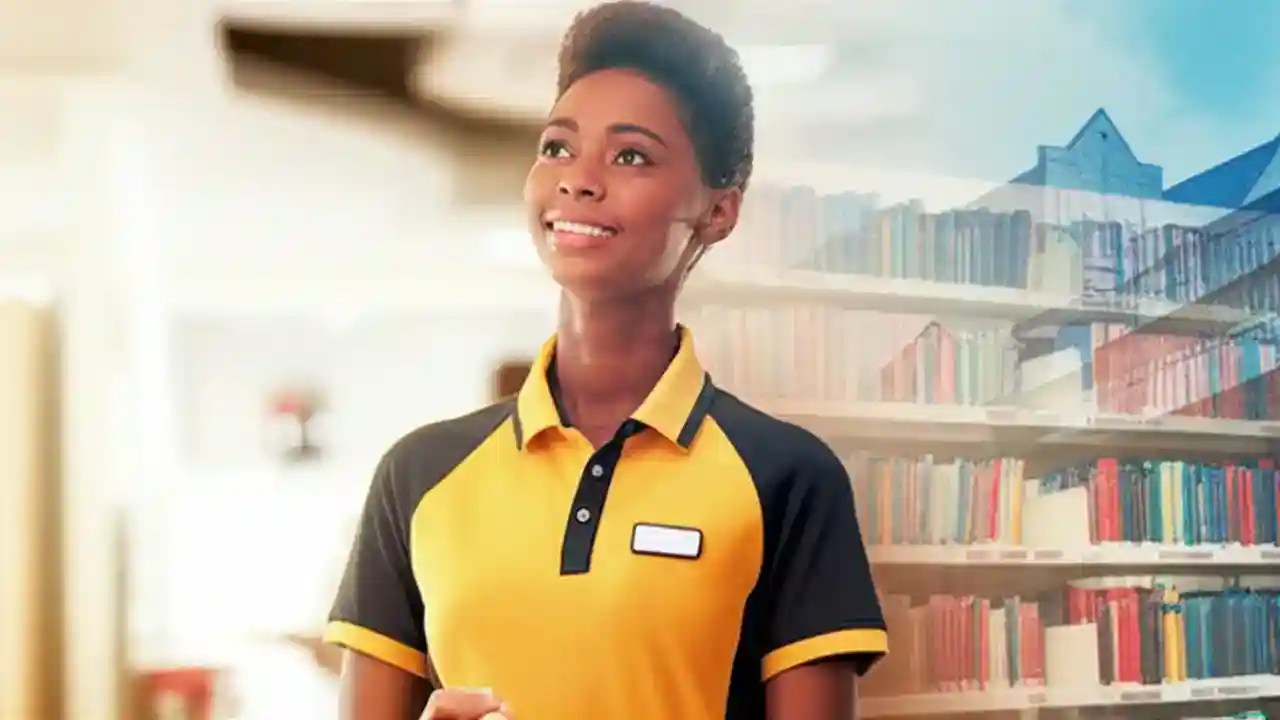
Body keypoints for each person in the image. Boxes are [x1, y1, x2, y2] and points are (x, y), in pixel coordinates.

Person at [324, 2, 888, 718]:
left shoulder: (788, 478)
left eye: (631, 156)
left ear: (719, 211)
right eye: (557, 147)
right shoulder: (419, 473)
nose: (578, 179)